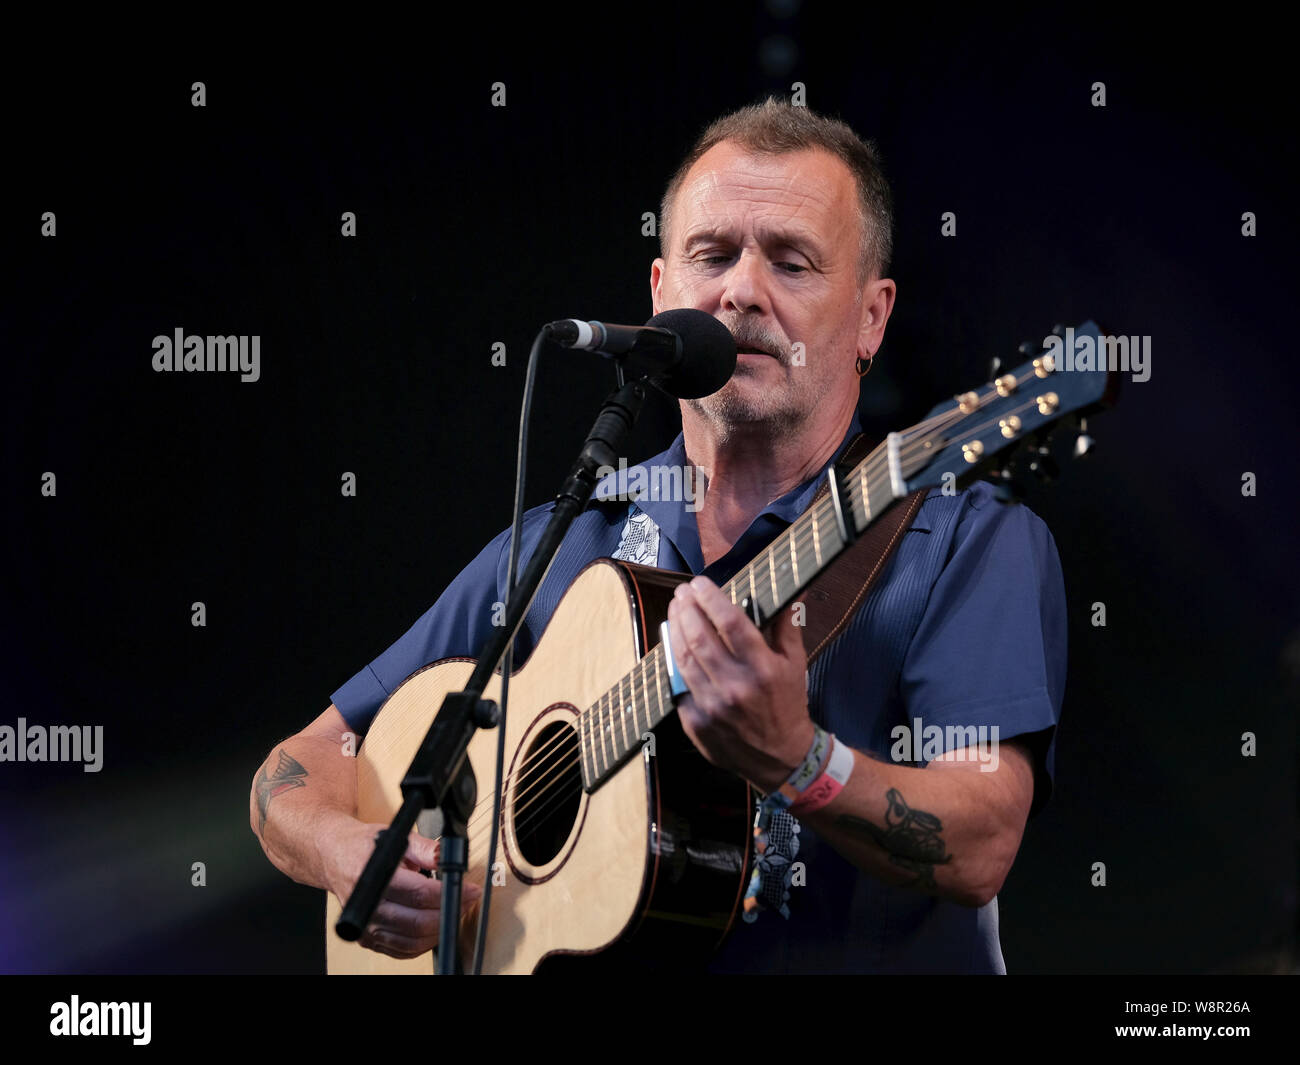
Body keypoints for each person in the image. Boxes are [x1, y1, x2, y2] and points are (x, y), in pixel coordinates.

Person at [250, 98, 1066, 973]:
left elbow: (983, 843)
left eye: (791, 263)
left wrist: (802, 762)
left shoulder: (959, 542)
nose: (741, 291)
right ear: (661, 292)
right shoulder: (566, 540)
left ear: (872, 316)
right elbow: (298, 764)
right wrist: (348, 852)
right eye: (711, 256)